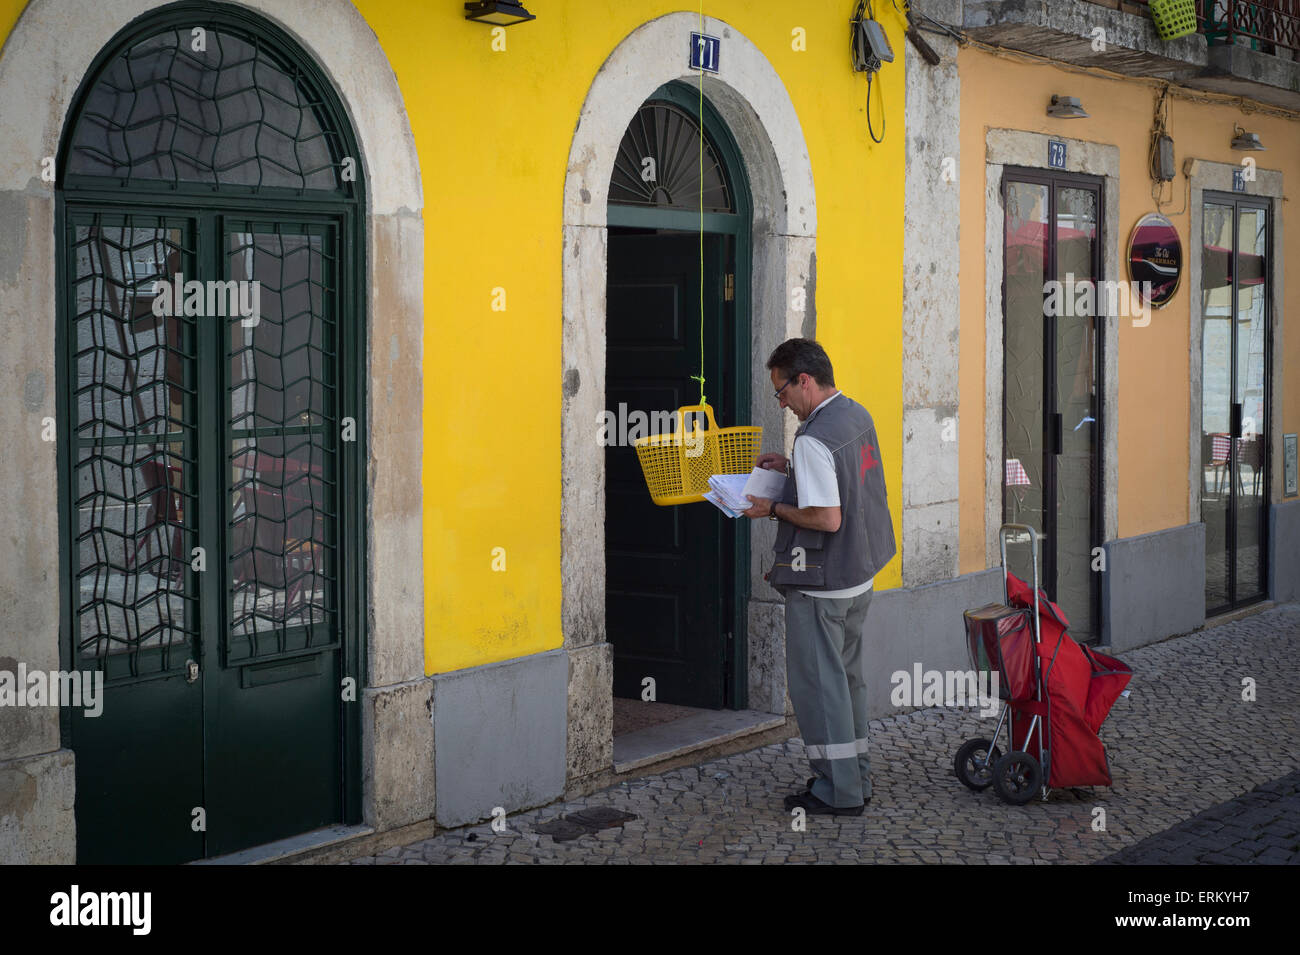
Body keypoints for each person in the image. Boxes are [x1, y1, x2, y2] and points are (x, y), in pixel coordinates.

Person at [740, 338, 896, 816]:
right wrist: (790, 468)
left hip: (820, 584)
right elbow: (847, 479)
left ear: (804, 380)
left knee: (818, 689)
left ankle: (837, 791)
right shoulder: (855, 414)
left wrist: (771, 508)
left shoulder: (812, 437)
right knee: (847, 682)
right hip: (859, 574)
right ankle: (858, 778)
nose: (781, 402)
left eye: (782, 391)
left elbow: (828, 518)